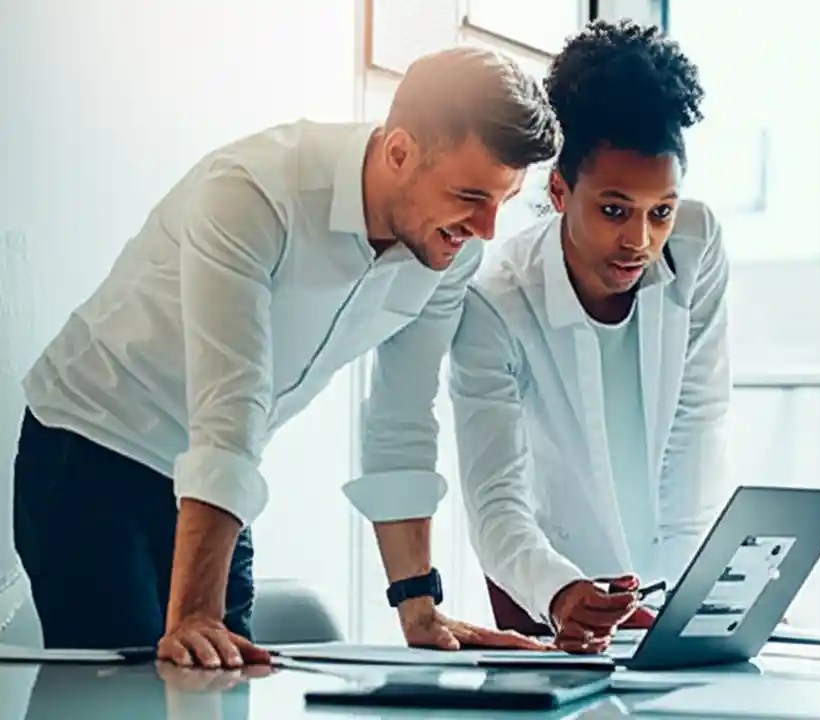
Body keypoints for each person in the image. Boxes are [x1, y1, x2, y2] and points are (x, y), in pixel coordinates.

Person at [12, 47, 561, 668]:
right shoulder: (254, 193)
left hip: (214, 480)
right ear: (400, 152)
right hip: (90, 450)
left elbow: (401, 421)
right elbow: (231, 405)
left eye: (502, 201)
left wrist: (419, 607)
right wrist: (195, 612)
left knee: (218, 687)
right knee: (130, 699)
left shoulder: (451, 249)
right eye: (469, 196)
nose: (487, 229)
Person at [449, 20, 730, 654]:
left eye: (660, 210)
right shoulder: (495, 304)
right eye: (613, 209)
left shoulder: (696, 242)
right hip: (556, 602)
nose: (639, 241)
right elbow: (495, 500)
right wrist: (557, 590)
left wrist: (694, 601)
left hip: (668, 602)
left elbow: (696, 424)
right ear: (558, 189)